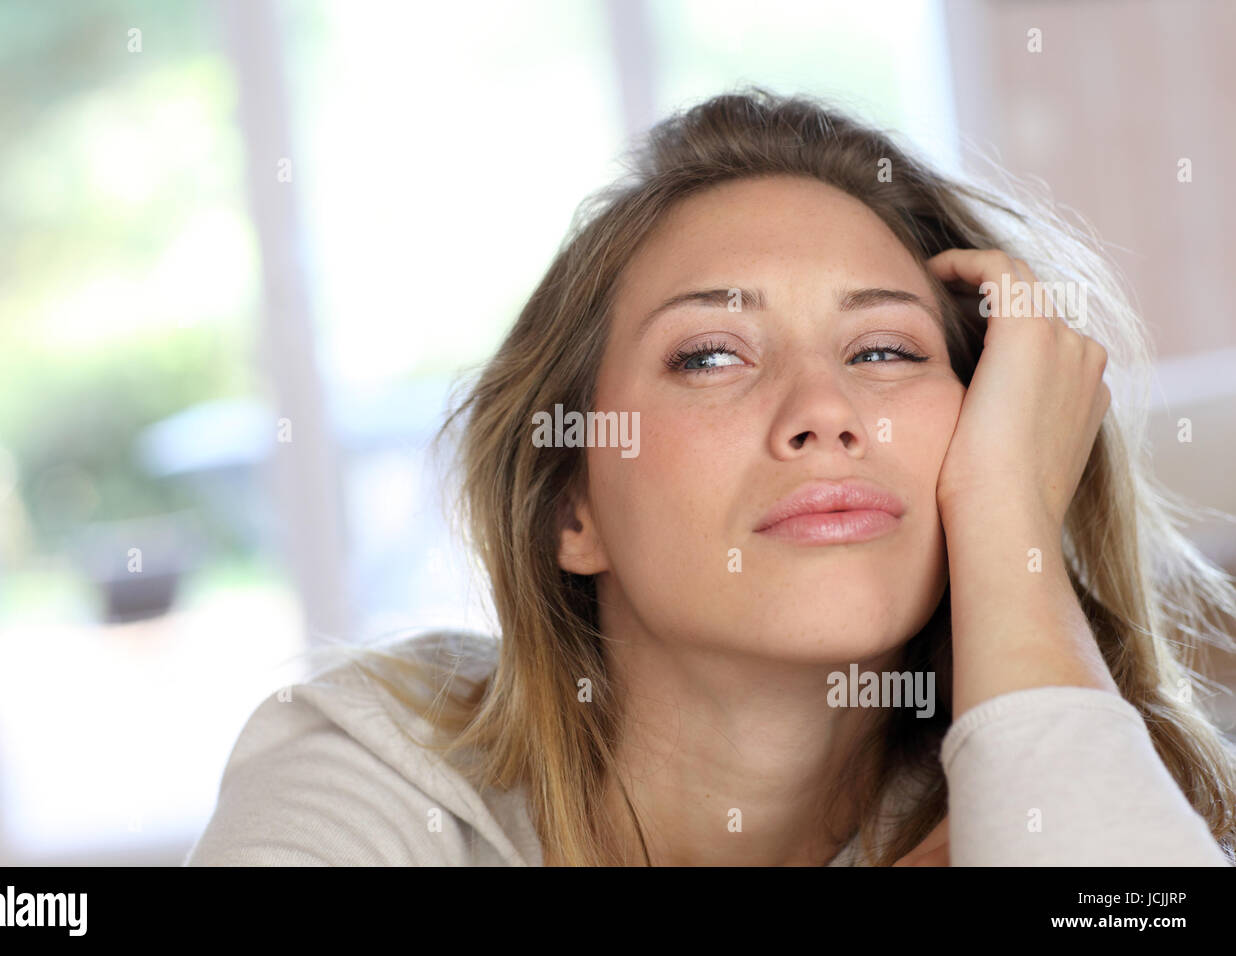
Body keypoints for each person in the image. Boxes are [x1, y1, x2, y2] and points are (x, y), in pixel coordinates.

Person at [186, 87, 1236, 867]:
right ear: (571, 503)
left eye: (884, 352)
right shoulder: (378, 768)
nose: (823, 412)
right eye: (710, 355)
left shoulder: (1067, 796)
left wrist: (1008, 524)